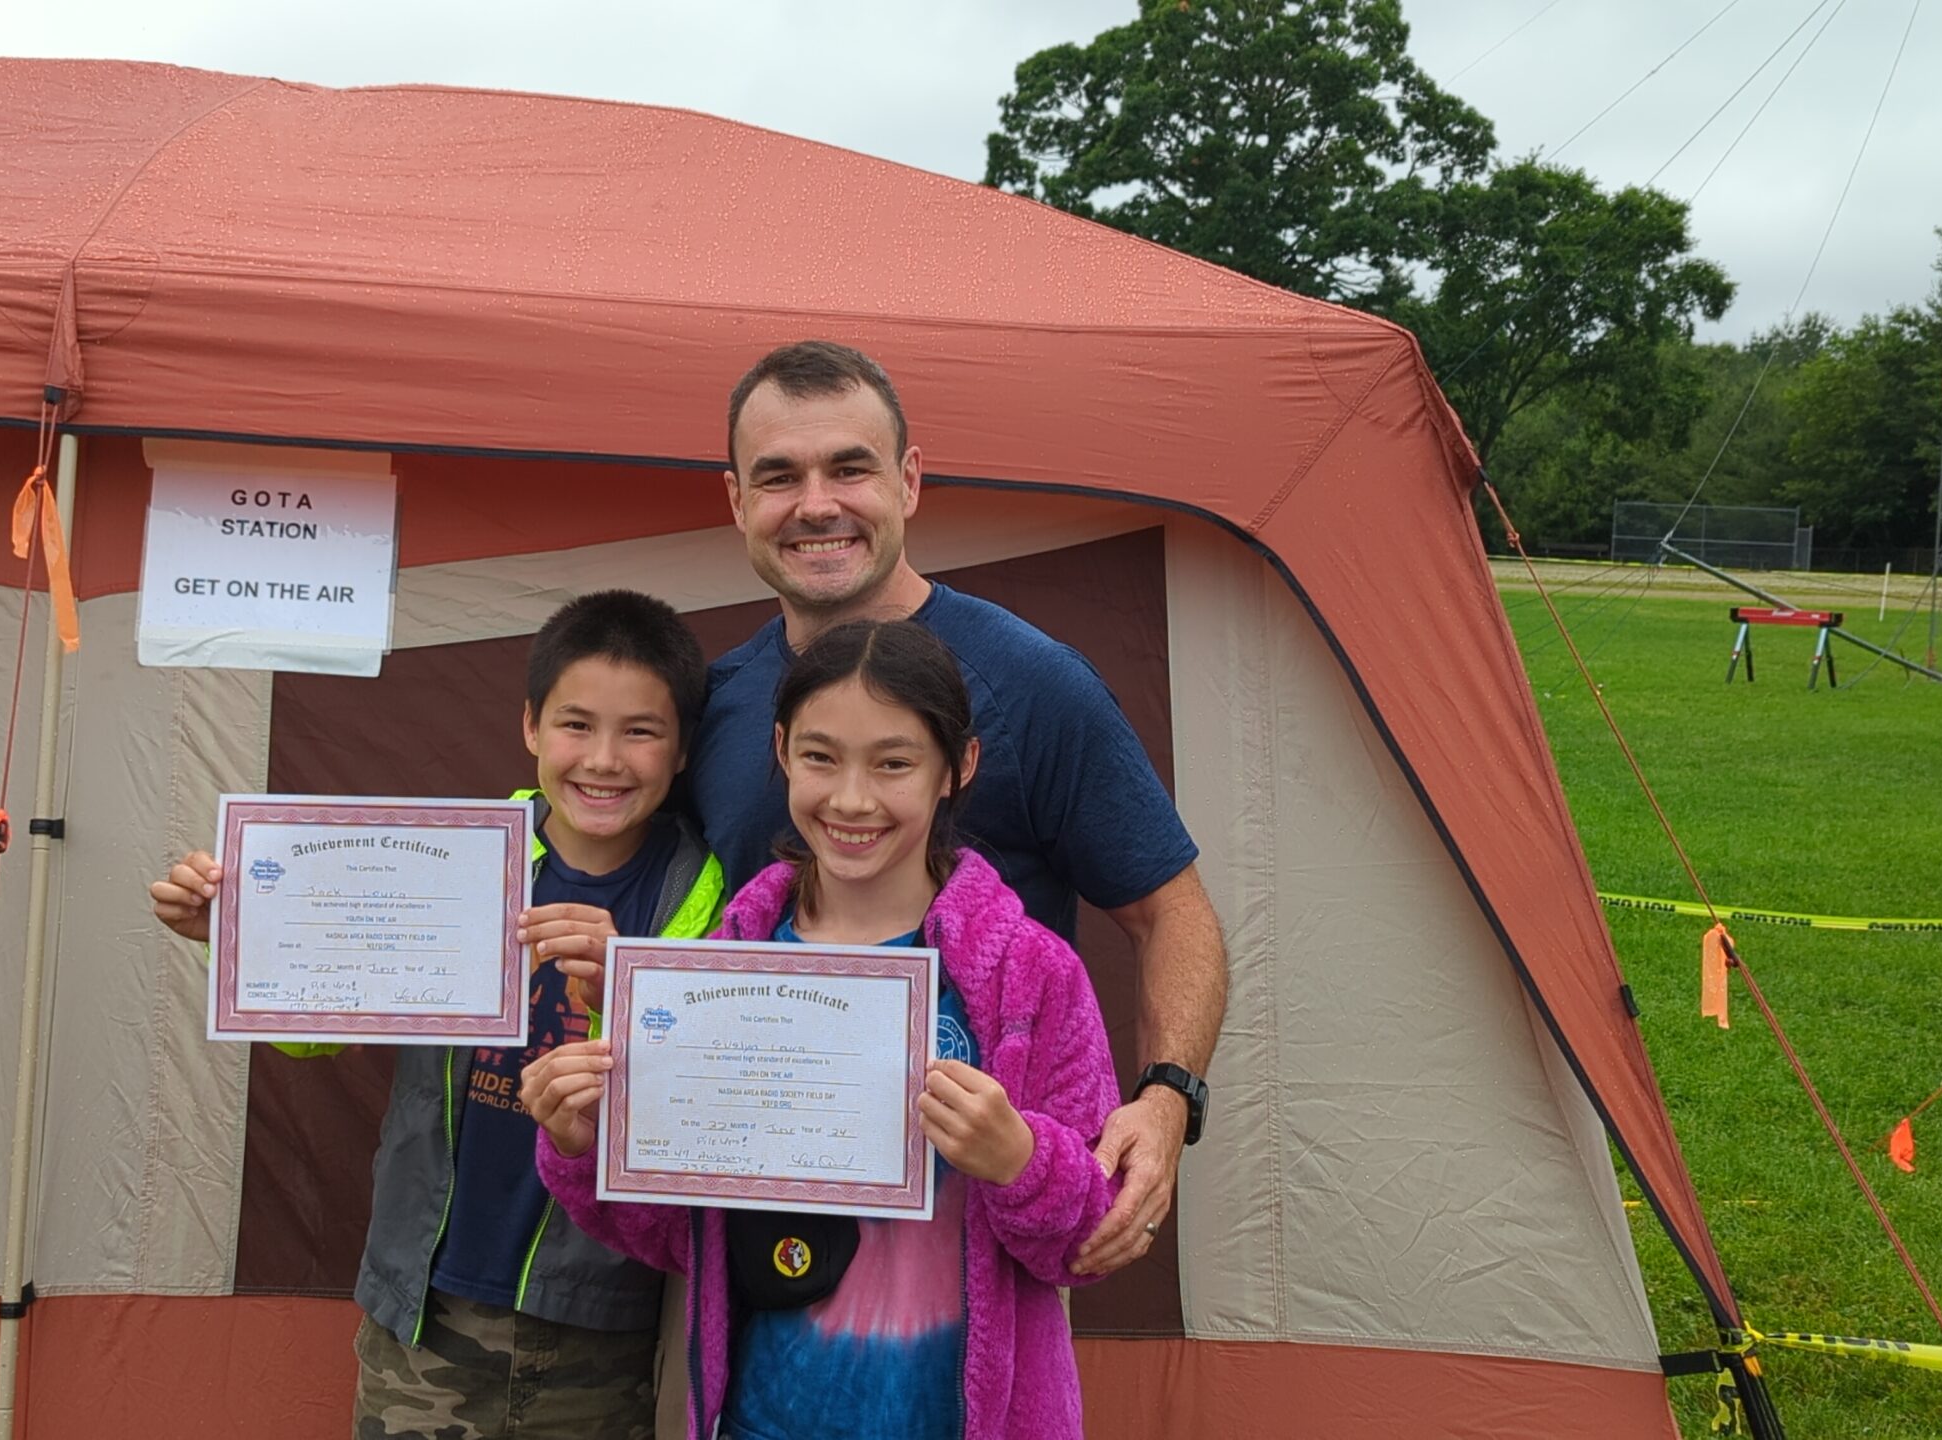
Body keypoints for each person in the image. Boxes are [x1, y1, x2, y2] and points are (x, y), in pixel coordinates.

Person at [689, 341, 1224, 1274]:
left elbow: (1171, 910)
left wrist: (1168, 1097)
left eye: (849, 468)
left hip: (981, 1250)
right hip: (759, 1225)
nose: (817, 504)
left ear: (909, 481)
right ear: (736, 501)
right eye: (779, 476)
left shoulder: (1032, 684)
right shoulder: (724, 701)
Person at [146, 591, 725, 1440]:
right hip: (425, 1300)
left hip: (605, 1317)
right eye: (575, 724)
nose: (604, 759)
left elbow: (701, 1114)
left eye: (641, 731)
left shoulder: (706, 899)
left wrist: (631, 992)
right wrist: (233, 940)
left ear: (681, 752)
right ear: (530, 726)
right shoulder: (446, 860)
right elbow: (311, 1036)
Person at [524, 619, 1119, 1440]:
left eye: (894, 763)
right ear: (780, 751)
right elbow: (676, 1237)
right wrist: (582, 1141)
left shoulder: (1029, 975)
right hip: (761, 1418)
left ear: (960, 767)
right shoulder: (720, 968)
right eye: (820, 757)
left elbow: (1095, 1237)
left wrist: (1020, 1160)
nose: (850, 799)